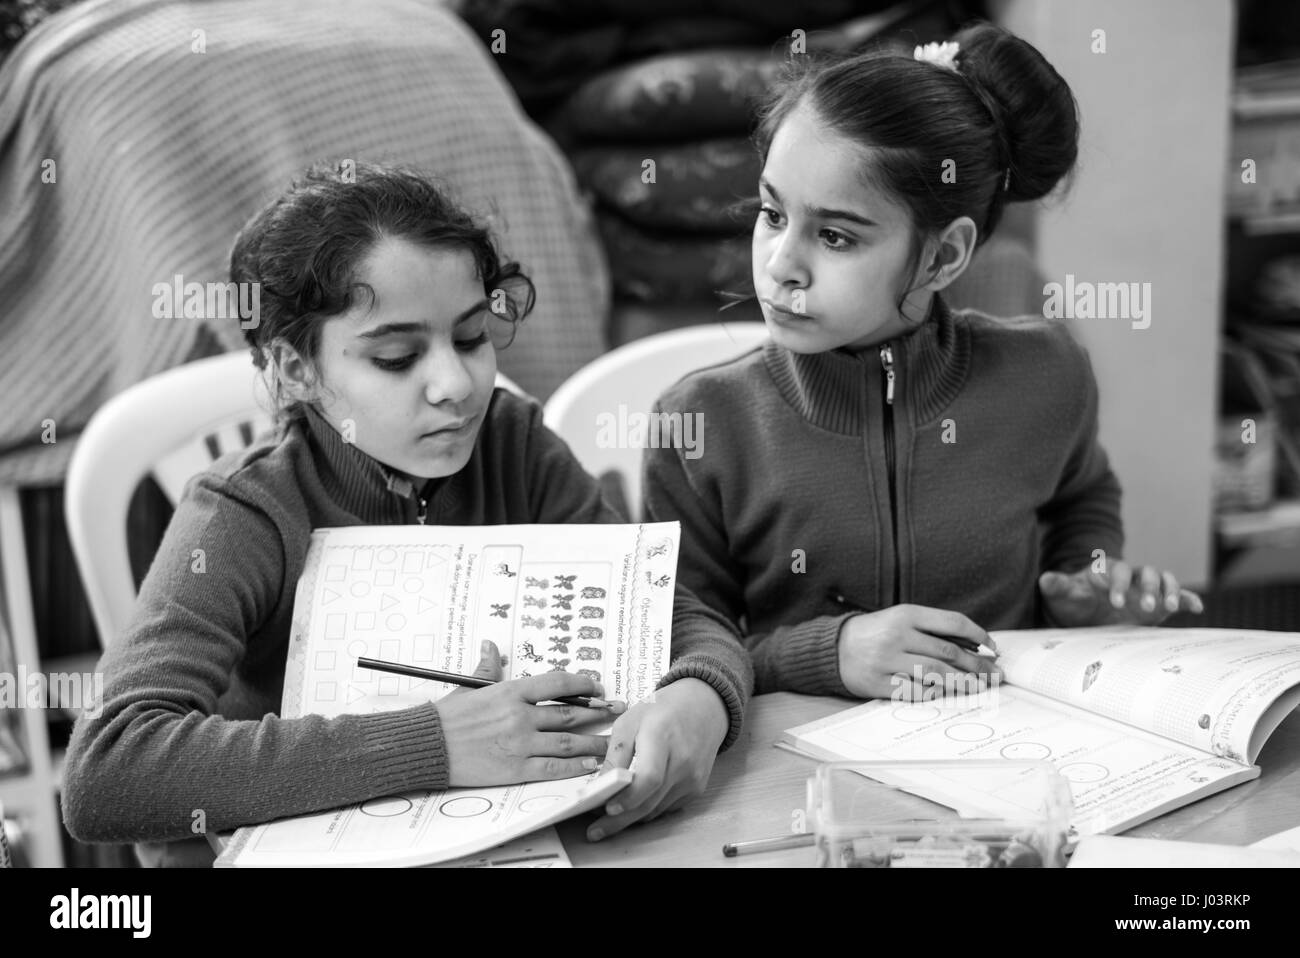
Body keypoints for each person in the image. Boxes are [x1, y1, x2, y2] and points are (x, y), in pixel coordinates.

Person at [62, 163, 751, 863]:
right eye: (396, 357)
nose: (454, 384)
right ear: (296, 370)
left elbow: (683, 618)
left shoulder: (513, 447)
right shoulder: (246, 513)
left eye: (474, 335)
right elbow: (107, 772)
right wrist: (435, 745)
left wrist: (700, 699)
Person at [643, 23, 1201, 702]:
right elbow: (678, 648)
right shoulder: (699, 423)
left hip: (1014, 750)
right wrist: (830, 652)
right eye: (771, 213)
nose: (780, 264)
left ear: (943, 257)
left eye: (835, 235)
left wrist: (1083, 586)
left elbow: (1081, 495)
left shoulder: (1048, 374)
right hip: (796, 773)